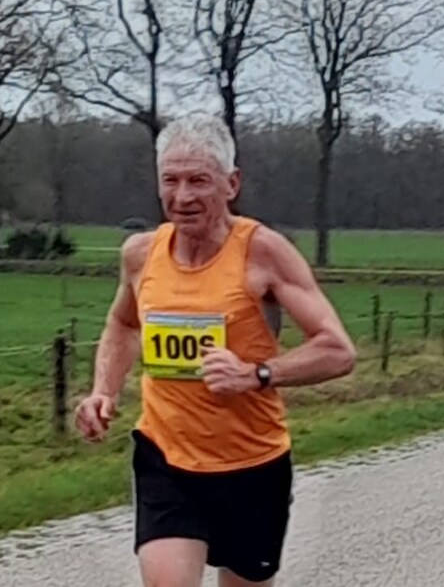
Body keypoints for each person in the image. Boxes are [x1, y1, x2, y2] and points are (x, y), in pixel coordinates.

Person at [74, 113, 357, 587]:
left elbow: (337, 350)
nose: (183, 197)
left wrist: (256, 374)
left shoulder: (263, 252)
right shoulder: (140, 254)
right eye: (171, 181)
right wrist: (104, 389)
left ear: (231, 184)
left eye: (199, 181)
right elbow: (123, 323)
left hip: (251, 464)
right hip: (166, 458)